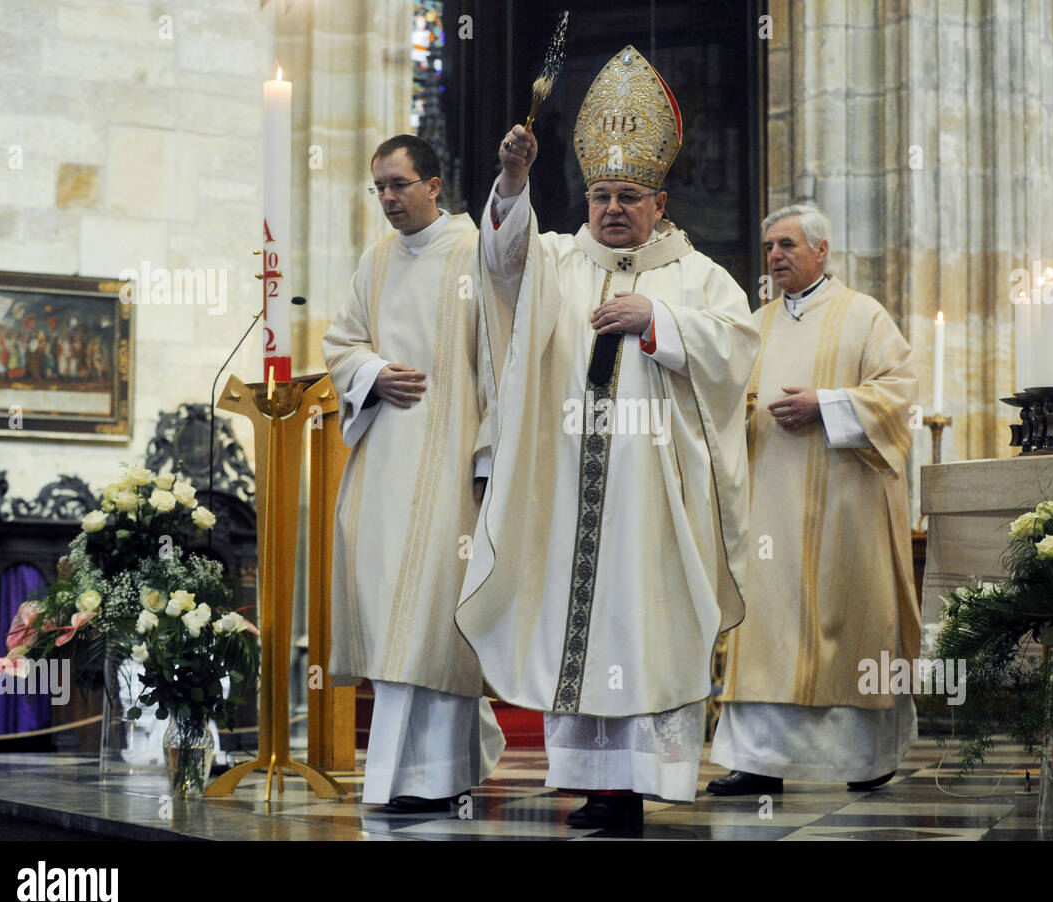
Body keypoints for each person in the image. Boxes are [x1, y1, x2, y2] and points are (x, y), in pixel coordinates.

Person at [456, 46, 758, 830]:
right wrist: (514, 181)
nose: (612, 208)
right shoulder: (558, 260)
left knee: (640, 619)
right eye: (599, 194)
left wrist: (653, 320)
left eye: (628, 195)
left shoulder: (696, 275)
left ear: (659, 203)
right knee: (576, 626)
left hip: (655, 502)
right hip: (569, 493)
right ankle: (597, 785)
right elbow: (500, 255)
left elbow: (735, 348)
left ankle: (644, 780)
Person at [708, 204, 921, 796]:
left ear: (822, 251)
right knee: (768, 628)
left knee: (852, 622)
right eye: (770, 246)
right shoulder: (755, 324)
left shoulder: (864, 316)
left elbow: (900, 395)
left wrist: (825, 406)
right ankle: (757, 761)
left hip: (846, 506)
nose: (775, 255)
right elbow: (723, 399)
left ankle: (862, 758)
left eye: (788, 245)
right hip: (770, 504)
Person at [322, 134, 505, 814]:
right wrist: (371, 373)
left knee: (434, 622)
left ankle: (435, 773)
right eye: (379, 188)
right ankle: (418, 774)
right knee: (391, 613)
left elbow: (499, 359)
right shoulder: (375, 260)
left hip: (454, 466)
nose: (389, 199)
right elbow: (342, 340)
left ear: (434, 183)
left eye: (399, 184)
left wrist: (490, 458)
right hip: (385, 464)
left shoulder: (474, 253)